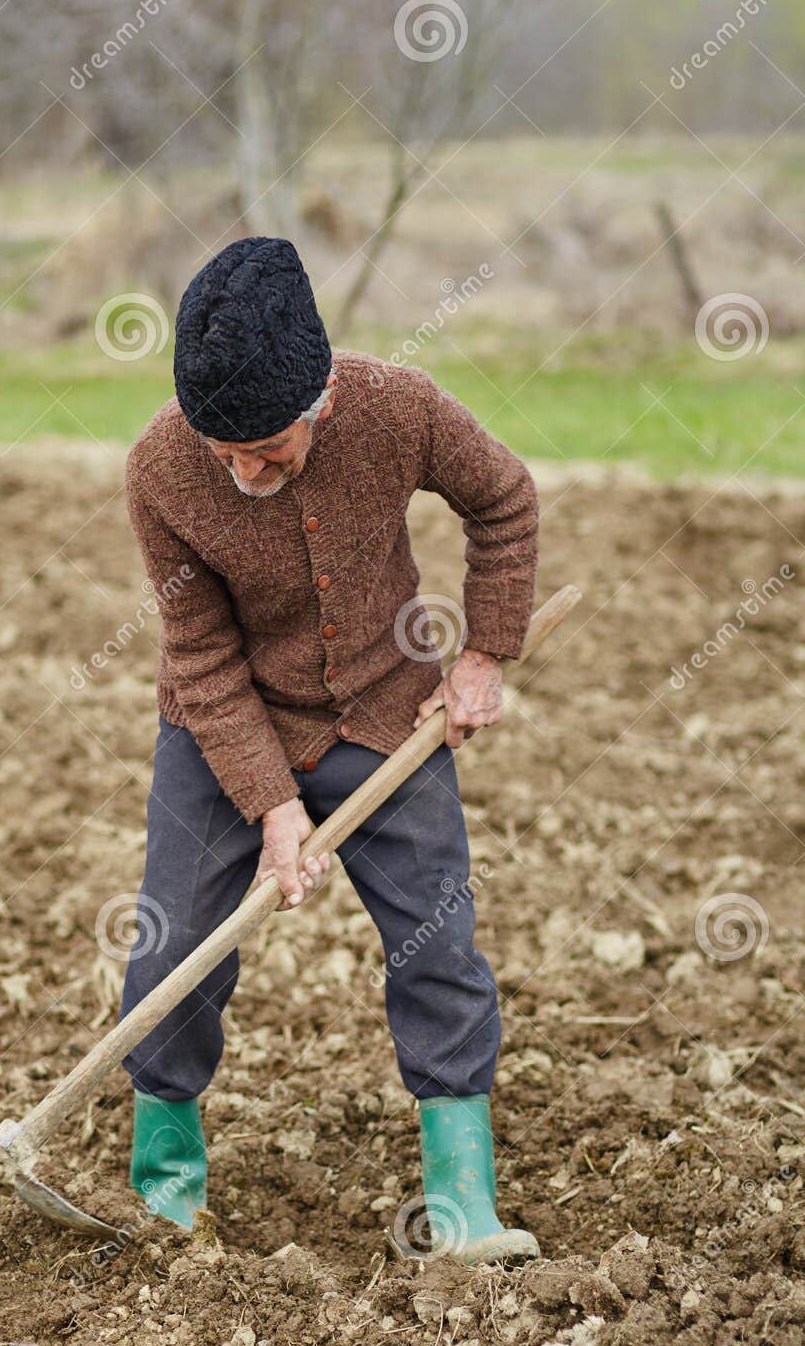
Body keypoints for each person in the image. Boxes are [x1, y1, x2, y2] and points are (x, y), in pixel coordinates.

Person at [119, 236, 540, 1264]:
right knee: (173, 947)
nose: (245, 473)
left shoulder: (399, 407)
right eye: (226, 451)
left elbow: (503, 500)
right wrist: (272, 806)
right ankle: (165, 1186)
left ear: (321, 399)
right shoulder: (161, 470)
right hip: (221, 730)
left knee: (435, 944)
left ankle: (459, 1200)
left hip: (386, 715)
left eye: (268, 448)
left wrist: (482, 653)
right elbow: (203, 658)